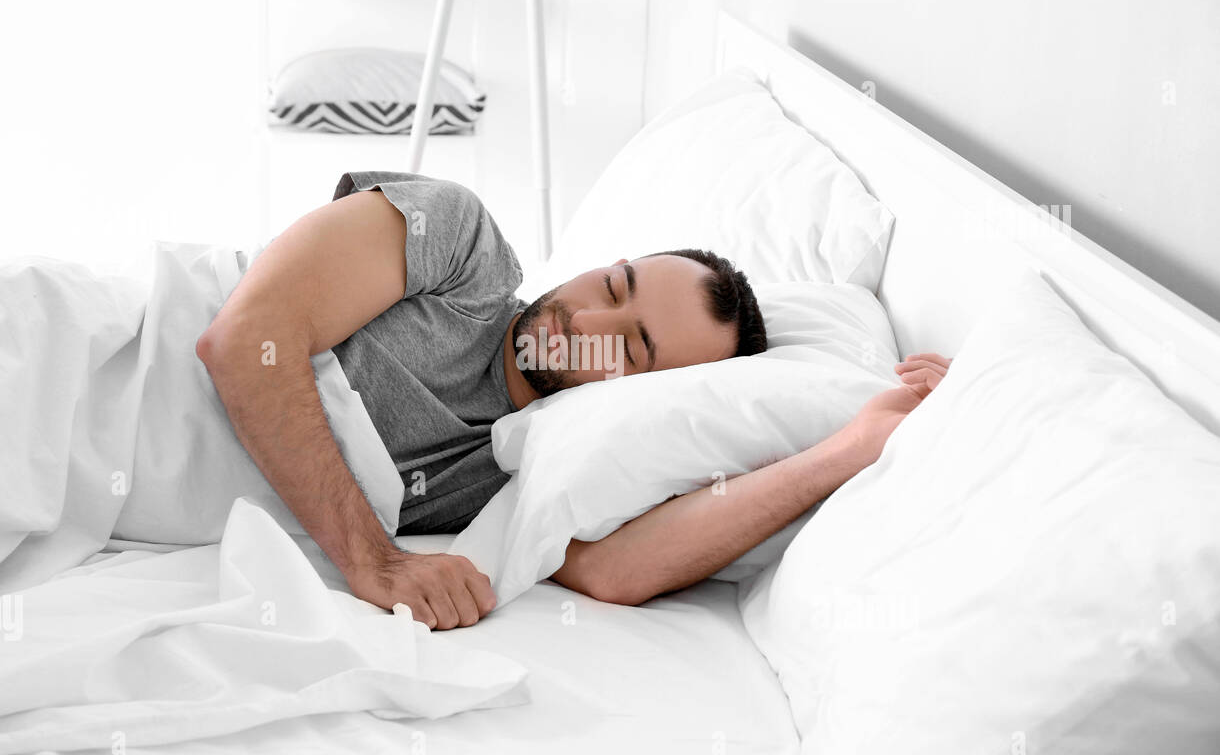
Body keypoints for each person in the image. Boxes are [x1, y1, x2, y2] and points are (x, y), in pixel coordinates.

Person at [197, 171, 950, 630]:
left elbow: (612, 573)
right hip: (108, 362)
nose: (584, 323)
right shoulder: (462, 246)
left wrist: (850, 447)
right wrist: (377, 564)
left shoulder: (529, 463)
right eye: (613, 288)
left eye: (628, 351)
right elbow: (245, 340)